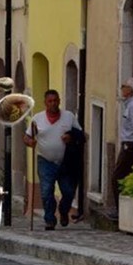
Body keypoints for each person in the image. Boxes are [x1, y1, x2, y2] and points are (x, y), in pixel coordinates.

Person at [23, 89, 83, 230]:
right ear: (45, 103)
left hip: (66, 162)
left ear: (59, 101)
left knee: (68, 192)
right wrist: (30, 142)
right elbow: (27, 137)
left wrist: (71, 137)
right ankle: (50, 219)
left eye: (55, 101)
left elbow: (81, 134)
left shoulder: (68, 117)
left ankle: (63, 211)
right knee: (46, 192)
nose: (53, 104)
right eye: (50, 101)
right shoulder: (37, 119)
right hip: (45, 161)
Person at [110, 77, 133, 219]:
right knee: (121, 176)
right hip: (128, 144)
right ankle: (122, 210)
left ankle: (120, 212)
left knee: (117, 177)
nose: (121, 88)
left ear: (130, 90)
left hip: (131, 146)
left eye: (124, 86)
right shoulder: (129, 104)